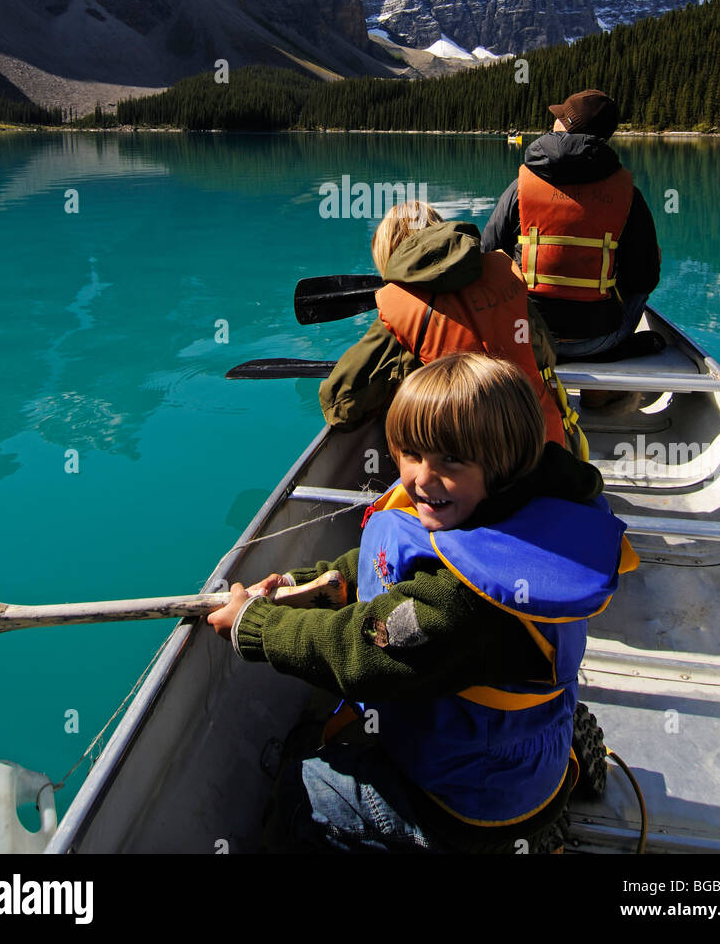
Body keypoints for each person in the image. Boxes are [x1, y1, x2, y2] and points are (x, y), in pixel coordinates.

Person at [208, 353, 637, 854]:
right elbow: (390, 556)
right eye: (409, 453)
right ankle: (559, 778)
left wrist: (253, 626)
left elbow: (361, 654)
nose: (422, 479)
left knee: (304, 788)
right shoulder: (494, 507)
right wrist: (312, 583)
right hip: (516, 760)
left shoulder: (466, 602)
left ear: (504, 461)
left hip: (467, 812)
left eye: (450, 461)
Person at [319, 200, 580, 451]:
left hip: (472, 471)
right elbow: (547, 354)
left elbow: (340, 404)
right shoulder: (505, 275)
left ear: (387, 254)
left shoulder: (399, 310)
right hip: (546, 445)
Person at [481, 89, 661, 365]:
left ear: (568, 127)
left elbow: (488, 253)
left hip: (524, 334)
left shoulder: (522, 185)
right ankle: (610, 351)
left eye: (561, 117)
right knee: (648, 260)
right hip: (597, 340)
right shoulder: (628, 194)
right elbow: (644, 278)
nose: (554, 120)